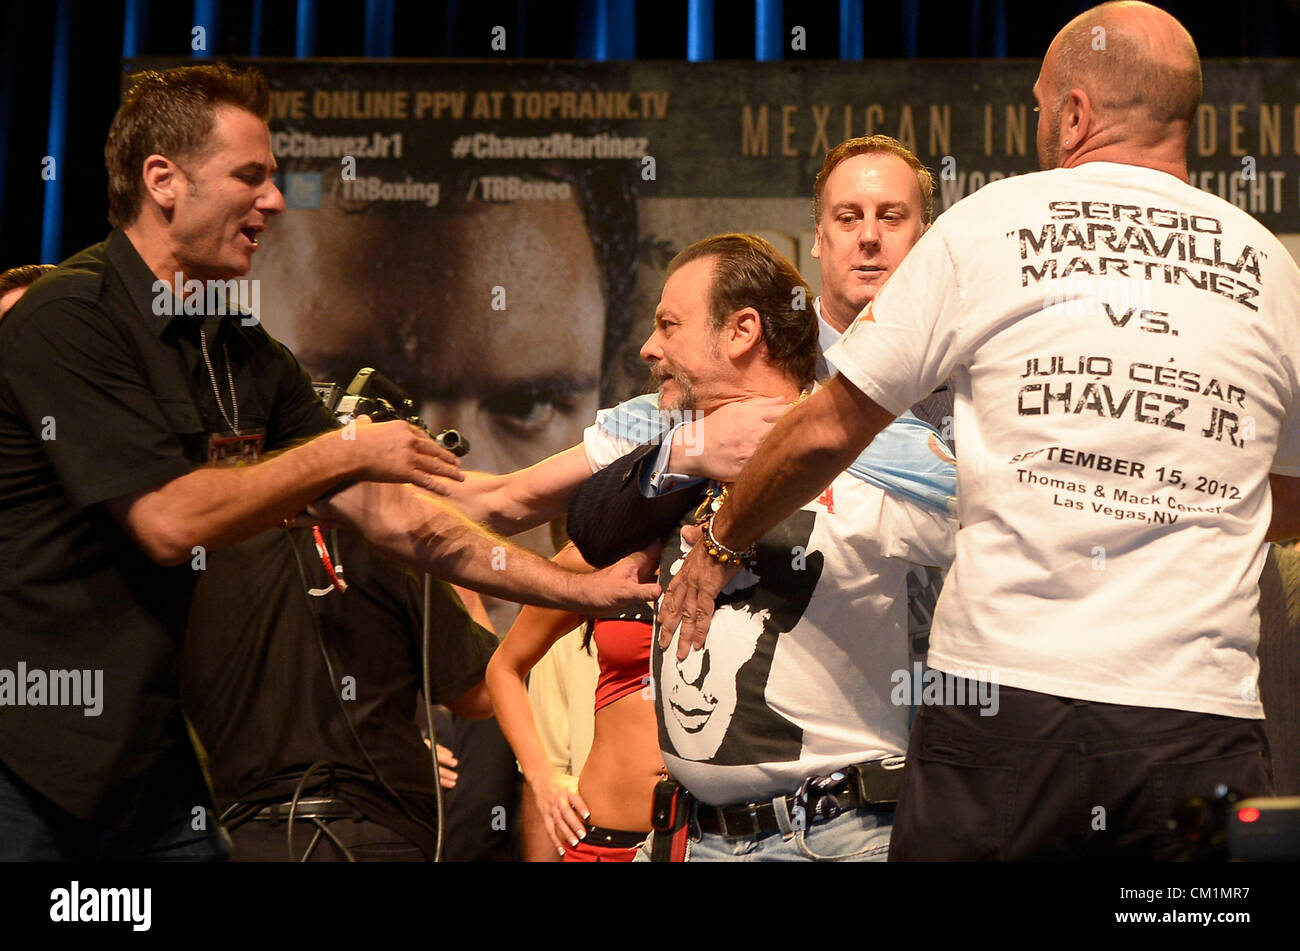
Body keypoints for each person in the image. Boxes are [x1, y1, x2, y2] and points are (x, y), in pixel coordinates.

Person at [659, 2, 1300, 860]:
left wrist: (720, 537)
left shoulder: (992, 224)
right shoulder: (1271, 267)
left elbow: (827, 431)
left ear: (1074, 112)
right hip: (1197, 723)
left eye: (1041, 104)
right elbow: (1285, 500)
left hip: (1004, 718)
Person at [0, 63, 656, 861]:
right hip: (34, 774)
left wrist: (579, 588)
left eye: (273, 178)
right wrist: (345, 450)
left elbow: (402, 517)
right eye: (251, 176)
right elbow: (168, 519)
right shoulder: (69, 318)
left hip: (159, 775)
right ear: (163, 181)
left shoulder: (242, 353)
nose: (273, 200)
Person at [567, 233, 956, 862]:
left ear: (742, 331)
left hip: (834, 837)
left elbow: (1009, 557)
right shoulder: (681, 442)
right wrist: (686, 452)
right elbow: (583, 522)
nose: (647, 347)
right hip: (690, 839)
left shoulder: (886, 456)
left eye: (669, 325)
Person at [182, 526, 495, 861]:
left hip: (241, 833)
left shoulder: (192, 548)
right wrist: (465, 587)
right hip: (375, 828)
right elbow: (482, 697)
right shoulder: (386, 534)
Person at [487, 544, 659, 862]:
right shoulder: (598, 554)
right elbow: (504, 668)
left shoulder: (747, 544)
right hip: (605, 842)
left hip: (726, 842)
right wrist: (542, 777)